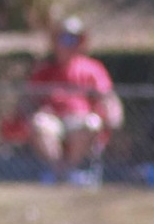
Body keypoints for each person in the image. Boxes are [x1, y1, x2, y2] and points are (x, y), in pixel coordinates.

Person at [13, 17, 121, 186]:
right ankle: (59, 172)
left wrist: (113, 115)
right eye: (64, 38)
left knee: (91, 124)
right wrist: (32, 112)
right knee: (39, 124)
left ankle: (68, 171)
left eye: (74, 39)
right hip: (53, 119)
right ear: (55, 42)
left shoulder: (92, 68)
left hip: (79, 119)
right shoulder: (44, 70)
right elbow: (27, 100)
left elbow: (107, 97)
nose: (69, 44)